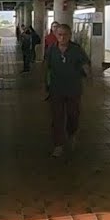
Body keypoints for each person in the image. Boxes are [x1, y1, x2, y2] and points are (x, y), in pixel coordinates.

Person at [42, 24, 90, 157]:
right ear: (55, 35)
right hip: (56, 89)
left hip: (73, 89)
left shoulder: (76, 50)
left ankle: (72, 133)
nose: (62, 37)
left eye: (65, 35)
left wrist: (90, 78)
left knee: (73, 115)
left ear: (70, 35)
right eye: (59, 34)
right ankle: (58, 144)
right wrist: (45, 84)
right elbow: (46, 66)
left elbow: (85, 64)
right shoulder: (51, 49)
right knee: (57, 117)